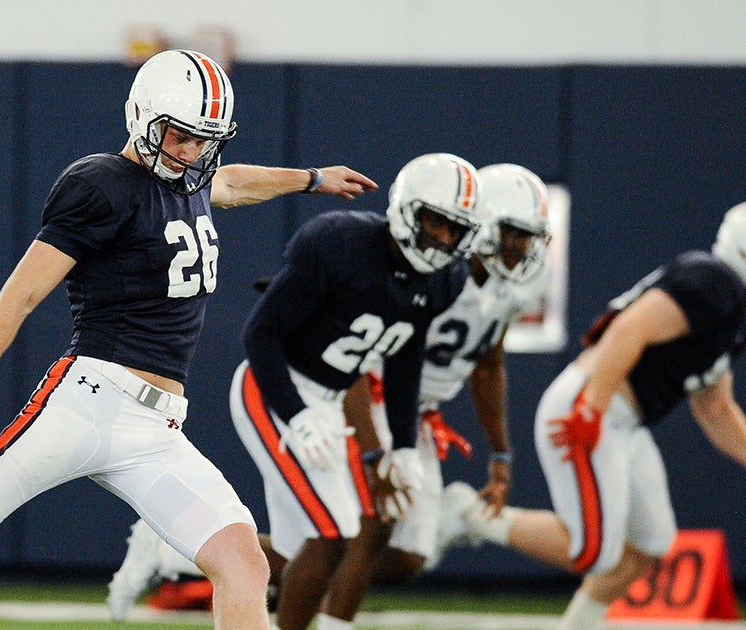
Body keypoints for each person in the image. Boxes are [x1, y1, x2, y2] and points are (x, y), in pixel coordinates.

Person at [0, 49, 378, 630]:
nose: (191, 152)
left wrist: (311, 179)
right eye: (179, 136)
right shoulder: (101, 183)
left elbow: (231, 181)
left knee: (242, 562)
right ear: (142, 117)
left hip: (157, 427)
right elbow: (20, 295)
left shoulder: (193, 175)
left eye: (204, 139)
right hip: (92, 400)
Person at [103, 152, 483, 630]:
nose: (443, 238)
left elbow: (405, 359)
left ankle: (165, 552)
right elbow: (260, 334)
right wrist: (297, 415)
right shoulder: (341, 242)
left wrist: (404, 445)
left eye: (455, 229)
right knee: (333, 534)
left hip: (328, 400)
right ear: (408, 210)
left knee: (305, 546)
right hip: (273, 388)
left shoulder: (446, 278)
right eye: (435, 222)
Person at [435, 202, 746, 629]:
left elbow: (716, 410)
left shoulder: (731, 311)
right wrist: (591, 410)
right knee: (593, 553)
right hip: (590, 408)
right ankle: (469, 514)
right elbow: (628, 330)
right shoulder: (715, 282)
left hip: (623, 421)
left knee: (650, 545)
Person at [316, 163, 553, 629]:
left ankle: (248, 562)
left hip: (417, 413)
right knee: (374, 523)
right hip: (370, 392)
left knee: (406, 559)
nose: (523, 248)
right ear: (486, 223)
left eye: (530, 237)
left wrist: (501, 453)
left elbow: (489, 364)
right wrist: (373, 448)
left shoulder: (513, 288)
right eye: (515, 233)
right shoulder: (435, 269)